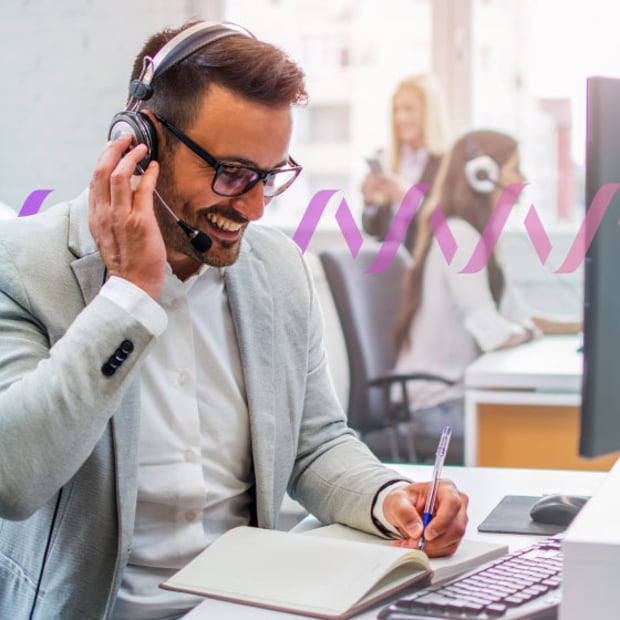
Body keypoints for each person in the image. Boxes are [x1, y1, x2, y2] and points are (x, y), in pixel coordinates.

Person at [0, 20, 468, 619]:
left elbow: (315, 443)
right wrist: (128, 296)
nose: (252, 207)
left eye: (269, 177)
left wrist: (388, 496)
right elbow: (14, 477)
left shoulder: (276, 271)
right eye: (232, 173)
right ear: (140, 147)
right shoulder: (25, 266)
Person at [392, 129, 582, 452]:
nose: (522, 178)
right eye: (515, 168)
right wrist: (526, 331)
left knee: (556, 420)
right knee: (549, 432)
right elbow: (493, 332)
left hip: (455, 398)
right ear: (484, 176)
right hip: (437, 407)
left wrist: (580, 327)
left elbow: (518, 317)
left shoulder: (481, 237)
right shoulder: (459, 236)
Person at [361, 74, 452, 251]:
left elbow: (448, 228)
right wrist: (370, 201)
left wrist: (410, 199)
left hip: (426, 267)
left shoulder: (447, 163)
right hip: (389, 266)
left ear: (430, 113)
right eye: (396, 110)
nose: (400, 118)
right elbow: (373, 229)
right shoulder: (386, 158)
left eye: (409, 109)